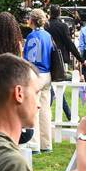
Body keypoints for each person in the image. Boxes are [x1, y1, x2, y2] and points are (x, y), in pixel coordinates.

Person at [23, 9, 56, 152]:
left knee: (33, 108)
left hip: (36, 74)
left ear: (32, 20)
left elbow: (29, 58)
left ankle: (34, 143)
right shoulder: (48, 35)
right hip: (47, 74)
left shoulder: (32, 36)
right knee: (45, 109)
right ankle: (46, 144)